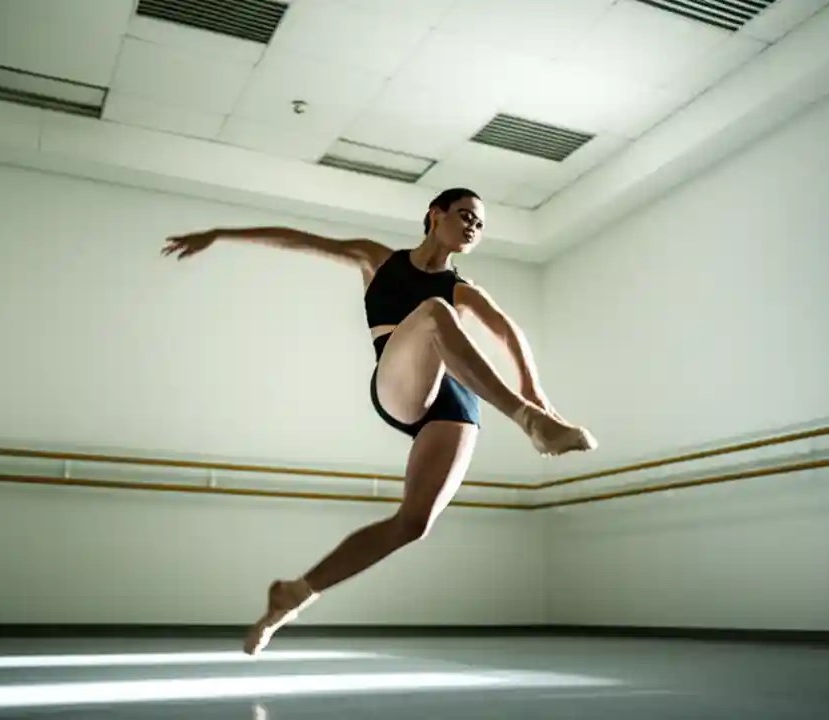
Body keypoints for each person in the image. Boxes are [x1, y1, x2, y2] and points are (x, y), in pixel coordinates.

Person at [161, 188, 597, 654]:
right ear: (435, 215)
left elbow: (507, 330)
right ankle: (528, 423)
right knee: (434, 313)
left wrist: (536, 393)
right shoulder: (378, 260)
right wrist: (220, 233)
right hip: (397, 383)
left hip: (453, 402)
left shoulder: (463, 288)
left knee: (413, 523)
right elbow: (296, 239)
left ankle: (293, 594)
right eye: (466, 216)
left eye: (481, 225)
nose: (473, 227)